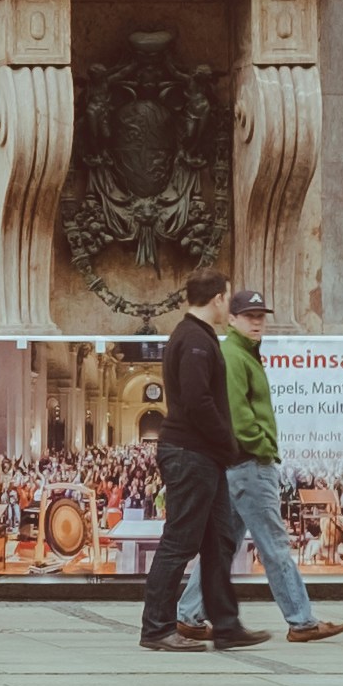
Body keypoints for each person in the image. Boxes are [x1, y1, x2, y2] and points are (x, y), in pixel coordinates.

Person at [175, 292, 343, 644]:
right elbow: (237, 414)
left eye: (261, 316)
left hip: (242, 465)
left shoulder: (243, 354)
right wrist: (261, 446)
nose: (257, 322)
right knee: (275, 544)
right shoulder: (236, 356)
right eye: (249, 315)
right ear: (232, 319)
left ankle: (189, 615)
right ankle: (301, 620)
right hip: (251, 464)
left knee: (223, 546)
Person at [138, 275, 270, 652]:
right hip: (190, 453)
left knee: (219, 541)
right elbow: (198, 402)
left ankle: (226, 626)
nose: (228, 304)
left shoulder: (194, 335)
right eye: (227, 297)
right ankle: (157, 628)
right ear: (216, 299)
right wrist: (227, 443)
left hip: (201, 454)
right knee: (180, 542)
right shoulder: (194, 339)